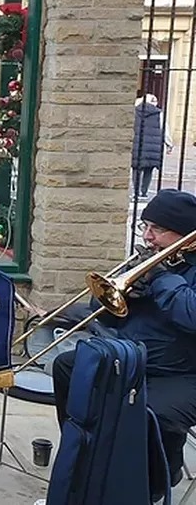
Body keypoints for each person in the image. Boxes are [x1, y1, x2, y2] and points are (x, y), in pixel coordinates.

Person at [52, 188, 196, 490]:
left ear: (186, 236)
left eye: (157, 229)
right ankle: (86, 449)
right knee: (68, 366)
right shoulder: (156, 263)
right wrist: (121, 299)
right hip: (133, 356)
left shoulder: (164, 271)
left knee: (150, 413)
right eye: (145, 226)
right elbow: (104, 309)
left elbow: (191, 314)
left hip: (183, 374)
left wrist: (160, 280)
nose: (147, 236)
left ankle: (157, 479)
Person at [133, 93, 172, 198]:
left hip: (138, 144)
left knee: (136, 169)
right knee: (148, 169)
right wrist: (169, 144)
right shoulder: (158, 114)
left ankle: (136, 192)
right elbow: (165, 130)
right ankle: (144, 192)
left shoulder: (135, 111)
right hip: (153, 147)